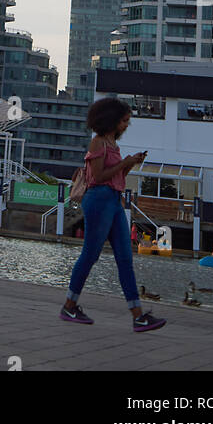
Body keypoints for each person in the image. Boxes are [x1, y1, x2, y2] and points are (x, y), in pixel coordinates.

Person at [60, 98, 166, 332]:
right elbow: (98, 177)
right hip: (98, 200)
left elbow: (115, 176)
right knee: (90, 254)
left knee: (125, 258)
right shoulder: (98, 143)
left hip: (114, 200)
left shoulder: (112, 144)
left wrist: (131, 163)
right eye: (124, 121)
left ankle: (138, 315)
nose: (127, 125)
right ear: (111, 120)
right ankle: (69, 305)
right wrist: (124, 162)